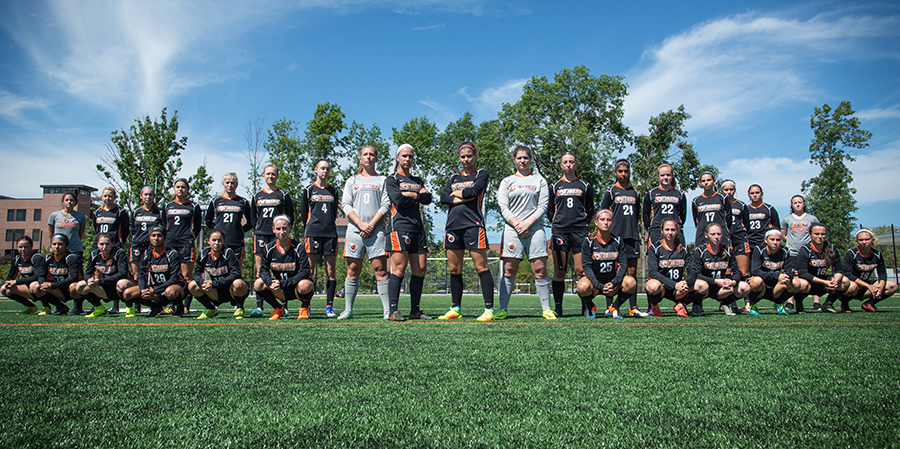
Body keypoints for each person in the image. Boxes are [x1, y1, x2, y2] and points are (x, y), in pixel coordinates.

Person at [437, 142, 494, 321]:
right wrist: (462, 196)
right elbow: (443, 198)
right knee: (454, 269)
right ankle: (455, 308)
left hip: (473, 225)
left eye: (469, 156)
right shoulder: (453, 178)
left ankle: (489, 310)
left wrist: (457, 194)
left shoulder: (481, 173)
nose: (466, 159)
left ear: (475, 156)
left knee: (481, 267)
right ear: (459, 158)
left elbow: (475, 191)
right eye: (463, 156)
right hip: (453, 226)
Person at [497, 145, 553, 320]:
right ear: (514, 160)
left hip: (535, 229)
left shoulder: (540, 181)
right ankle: (503, 309)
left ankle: (546, 309)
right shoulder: (507, 181)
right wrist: (517, 225)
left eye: (526, 158)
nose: (522, 161)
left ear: (530, 160)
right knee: (509, 270)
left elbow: (543, 206)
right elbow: (503, 207)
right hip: (512, 229)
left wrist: (527, 224)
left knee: (540, 269)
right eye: (519, 158)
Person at [339, 145, 392, 320]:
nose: (368, 157)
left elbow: (386, 204)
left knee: (380, 269)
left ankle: (387, 310)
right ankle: (348, 310)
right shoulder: (352, 181)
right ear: (360, 158)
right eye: (365, 154)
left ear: (376, 158)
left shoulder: (383, 180)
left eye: (372, 154)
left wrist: (371, 225)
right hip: (355, 229)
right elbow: (346, 205)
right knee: (353, 269)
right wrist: (361, 224)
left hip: (376, 230)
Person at [384, 144, 433, 321]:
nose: (407, 159)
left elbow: (428, 198)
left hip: (418, 229)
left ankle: (415, 310)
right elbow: (397, 199)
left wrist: (411, 195)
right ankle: (393, 311)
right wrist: (417, 195)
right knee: (399, 269)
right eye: (404, 156)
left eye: (410, 157)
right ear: (397, 158)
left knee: (420, 269)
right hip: (399, 227)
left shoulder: (417, 180)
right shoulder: (392, 179)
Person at [547, 151, 593, 316]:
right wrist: (559, 223)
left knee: (581, 270)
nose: (568, 165)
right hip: (560, 232)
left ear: (576, 164)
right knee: (560, 270)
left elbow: (590, 209)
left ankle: (585, 306)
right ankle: (558, 307)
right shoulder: (554, 186)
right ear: (561, 165)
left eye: (571, 162)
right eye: (565, 162)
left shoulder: (585, 186)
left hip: (580, 231)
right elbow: (550, 211)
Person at [599, 159, 646, 317]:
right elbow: (603, 215)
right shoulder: (611, 191)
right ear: (615, 173)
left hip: (631, 237)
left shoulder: (635, 193)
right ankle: (610, 306)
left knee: (632, 272)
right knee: (613, 273)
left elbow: (637, 215)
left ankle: (633, 308)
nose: (623, 174)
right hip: (615, 238)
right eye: (620, 171)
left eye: (626, 171)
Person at [249, 164, 294, 317]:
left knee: (282, 270)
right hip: (261, 235)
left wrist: (283, 231)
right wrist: (259, 229)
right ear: (263, 175)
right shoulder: (257, 196)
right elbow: (252, 218)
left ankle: (283, 306)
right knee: (260, 272)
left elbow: (290, 216)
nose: (270, 176)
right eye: (268, 174)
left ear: (277, 175)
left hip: (279, 235)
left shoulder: (283, 194)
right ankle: (259, 307)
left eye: (273, 174)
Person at [205, 173, 252, 317]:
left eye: (233, 183)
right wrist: (217, 234)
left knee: (237, 275)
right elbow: (208, 221)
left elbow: (250, 222)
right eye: (227, 182)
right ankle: (214, 302)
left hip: (236, 242)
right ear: (223, 184)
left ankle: (239, 305)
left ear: (236, 185)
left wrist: (239, 231)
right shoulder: (216, 201)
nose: (230, 185)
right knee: (217, 271)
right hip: (219, 244)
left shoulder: (242, 202)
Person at [576, 210, 636, 319]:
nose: (605, 222)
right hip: (594, 283)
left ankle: (615, 307)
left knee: (631, 282)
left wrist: (614, 283)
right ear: (596, 222)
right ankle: (590, 307)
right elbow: (587, 267)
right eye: (602, 220)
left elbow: (623, 265)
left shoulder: (617, 241)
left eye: (608, 220)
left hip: (612, 284)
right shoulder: (589, 242)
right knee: (581, 286)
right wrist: (599, 285)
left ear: (612, 223)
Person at [300, 159, 340, 318]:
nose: (325, 171)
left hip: (330, 234)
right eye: (322, 168)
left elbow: (333, 213)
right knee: (309, 271)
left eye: (328, 169)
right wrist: (309, 228)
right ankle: (306, 305)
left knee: (331, 272)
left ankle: (329, 306)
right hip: (313, 233)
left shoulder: (334, 191)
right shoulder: (309, 190)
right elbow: (304, 214)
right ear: (315, 170)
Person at [254, 215, 314, 320]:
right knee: (258, 283)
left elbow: (306, 271)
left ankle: (304, 308)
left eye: (284, 228)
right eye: (278, 229)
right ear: (273, 230)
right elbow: (263, 270)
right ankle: (278, 308)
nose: (281, 232)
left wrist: (282, 283)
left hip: (296, 288)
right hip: (279, 289)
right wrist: (270, 282)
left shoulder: (298, 247)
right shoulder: (268, 248)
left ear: (290, 228)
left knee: (306, 284)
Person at [123, 226, 186, 317]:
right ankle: (155, 307)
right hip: (156, 287)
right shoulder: (146, 254)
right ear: (149, 238)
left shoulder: (172, 253)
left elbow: (174, 278)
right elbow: (141, 275)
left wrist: (154, 290)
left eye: (159, 235)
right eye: (153, 235)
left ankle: (180, 307)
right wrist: (142, 290)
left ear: (164, 238)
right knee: (127, 293)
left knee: (170, 292)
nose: (156, 238)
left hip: (173, 287)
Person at [689, 223, 749, 316]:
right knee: (702, 284)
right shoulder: (700, 251)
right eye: (713, 234)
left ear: (722, 234)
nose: (716, 237)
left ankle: (726, 302)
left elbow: (736, 271)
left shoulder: (728, 251)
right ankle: (697, 303)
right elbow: (696, 274)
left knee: (745, 287)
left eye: (718, 234)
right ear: (706, 235)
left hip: (721, 288)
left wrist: (733, 282)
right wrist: (715, 281)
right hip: (705, 287)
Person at [162, 178, 203, 313]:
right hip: (169, 244)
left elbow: (197, 227)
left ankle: (186, 306)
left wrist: (190, 238)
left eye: (183, 187)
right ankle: (171, 305)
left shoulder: (193, 206)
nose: (180, 189)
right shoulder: (167, 206)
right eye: (178, 187)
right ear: (174, 189)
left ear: (187, 190)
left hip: (186, 244)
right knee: (171, 275)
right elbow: (163, 225)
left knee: (186, 276)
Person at [190, 229, 249, 320]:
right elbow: (197, 273)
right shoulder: (203, 254)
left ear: (224, 241)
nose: (217, 243)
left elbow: (236, 273)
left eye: (219, 240)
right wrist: (202, 283)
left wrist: (214, 283)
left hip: (230, 290)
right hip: (214, 291)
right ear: (208, 241)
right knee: (192, 285)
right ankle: (210, 309)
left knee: (239, 283)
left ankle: (239, 307)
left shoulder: (228, 253)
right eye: (214, 240)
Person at [793, 222, 849, 313]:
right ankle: (799, 304)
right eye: (816, 234)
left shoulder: (831, 248)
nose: (820, 236)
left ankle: (828, 304)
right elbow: (802, 273)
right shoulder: (805, 250)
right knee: (801, 284)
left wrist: (835, 281)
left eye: (823, 234)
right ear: (810, 234)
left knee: (845, 281)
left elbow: (839, 269)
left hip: (824, 280)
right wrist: (824, 282)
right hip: (809, 282)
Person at [645, 218, 696, 318]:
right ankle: (654, 307)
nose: (670, 233)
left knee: (703, 286)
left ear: (677, 231)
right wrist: (674, 284)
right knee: (652, 285)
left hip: (679, 290)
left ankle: (681, 305)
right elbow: (653, 272)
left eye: (673, 230)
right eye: (667, 229)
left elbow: (692, 270)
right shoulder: (655, 248)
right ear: (662, 231)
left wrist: (686, 283)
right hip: (662, 288)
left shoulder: (683, 248)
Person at [90, 187, 130, 313]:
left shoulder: (120, 211)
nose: (108, 198)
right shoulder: (97, 212)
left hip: (114, 245)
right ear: (102, 197)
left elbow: (125, 229)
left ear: (115, 197)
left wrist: (119, 243)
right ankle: (96, 303)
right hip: (100, 246)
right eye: (105, 196)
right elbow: (95, 228)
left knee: (114, 273)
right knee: (97, 273)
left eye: (110, 196)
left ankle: (115, 305)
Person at [75, 233, 135, 317]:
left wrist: (100, 281)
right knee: (80, 286)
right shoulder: (94, 254)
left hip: (119, 288)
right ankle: (99, 308)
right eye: (101, 244)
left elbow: (122, 274)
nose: (104, 247)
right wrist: (89, 280)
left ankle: (130, 309)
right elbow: (87, 273)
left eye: (107, 244)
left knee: (122, 283)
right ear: (97, 244)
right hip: (104, 288)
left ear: (113, 244)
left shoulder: (119, 253)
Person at [842, 228, 898, 312]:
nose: (864, 242)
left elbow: (882, 273)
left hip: (865, 286)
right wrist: (869, 286)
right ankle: (844, 304)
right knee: (852, 287)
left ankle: (869, 303)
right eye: (861, 240)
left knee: (893, 285)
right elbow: (848, 274)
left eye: (867, 239)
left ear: (872, 240)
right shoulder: (851, 253)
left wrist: (881, 287)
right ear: (857, 241)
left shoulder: (877, 254)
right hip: (853, 286)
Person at [781, 195, 820, 311]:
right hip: (792, 251)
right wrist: (791, 242)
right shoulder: (787, 219)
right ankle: (790, 301)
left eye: (800, 202)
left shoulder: (812, 219)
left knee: (811, 275)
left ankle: (816, 302)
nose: (797, 204)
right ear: (791, 205)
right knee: (792, 276)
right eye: (795, 203)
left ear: (804, 204)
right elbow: (783, 235)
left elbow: (817, 232)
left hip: (807, 252)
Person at [746, 230, 800, 315]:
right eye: (772, 239)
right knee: (756, 281)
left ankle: (779, 302)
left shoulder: (784, 251)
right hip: (762, 285)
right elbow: (755, 271)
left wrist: (787, 277)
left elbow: (789, 270)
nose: (775, 242)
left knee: (796, 283)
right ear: (765, 240)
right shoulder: (759, 250)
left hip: (777, 286)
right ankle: (752, 304)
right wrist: (776, 276)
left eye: (778, 240)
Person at [31, 234, 82, 316]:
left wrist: (53, 285)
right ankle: (60, 307)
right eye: (54, 244)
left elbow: (73, 277)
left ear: (66, 246)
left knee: (73, 286)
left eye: (60, 244)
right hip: (57, 289)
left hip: (70, 289)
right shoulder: (47, 258)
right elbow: (41, 275)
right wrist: (43, 284)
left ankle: (78, 307)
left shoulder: (71, 257)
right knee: (35, 286)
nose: (57, 247)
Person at [643, 163, 687, 247]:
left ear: (672, 176)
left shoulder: (680, 194)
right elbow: (645, 215)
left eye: (668, 175)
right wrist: (651, 227)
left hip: (675, 231)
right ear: (658, 176)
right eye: (662, 175)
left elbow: (683, 214)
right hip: (657, 229)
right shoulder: (651, 194)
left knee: (678, 256)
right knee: (656, 256)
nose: (665, 177)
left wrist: (677, 225)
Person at [1, 236, 43, 315]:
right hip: (27, 287)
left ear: (31, 246)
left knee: (35, 285)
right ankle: (30, 306)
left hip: (41, 287)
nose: (23, 249)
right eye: (20, 247)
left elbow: (38, 276)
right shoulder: (17, 259)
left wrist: (17, 281)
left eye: (26, 247)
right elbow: (10, 276)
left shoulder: (37, 257)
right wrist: (8, 283)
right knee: (4, 289)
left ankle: (46, 306)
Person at [131, 186, 163, 287]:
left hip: (152, 246)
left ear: (154, 196)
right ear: (141, 196)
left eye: (150, 194)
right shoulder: (136, 212)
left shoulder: (160, 212)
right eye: (145, 194)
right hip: (137, 245)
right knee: (136, 274)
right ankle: (137, 301)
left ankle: (153, 298)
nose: (148, 197)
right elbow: (132, 229)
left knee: (152, 273)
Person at [691, 172, 732, 249]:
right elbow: (696, 220)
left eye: (709, 180)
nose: (706, 183)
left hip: (721, 238)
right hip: (702, 238)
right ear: (700, 183)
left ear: (714, 181)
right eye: (703, 181)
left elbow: (729, 218)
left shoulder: (722, 198)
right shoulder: (696, 200)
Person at [47, 189, 87, 264]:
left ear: (75, 202)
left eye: (71, 200)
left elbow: (80, 234)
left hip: (74, 249)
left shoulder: (81, 216)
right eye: (67, 200)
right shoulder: (54, 215)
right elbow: (51, 233)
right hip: (58, 250)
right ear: (63, 201)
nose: (69, 202)